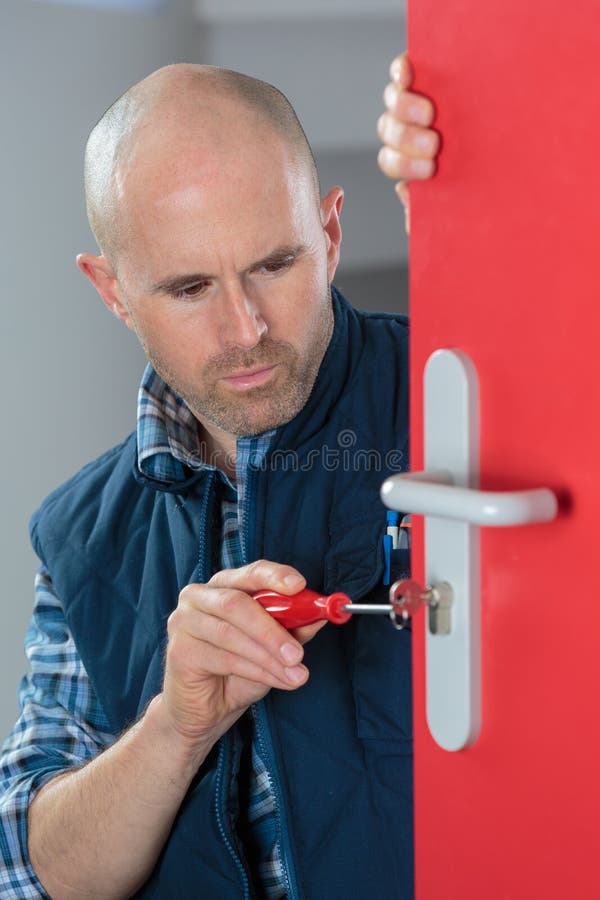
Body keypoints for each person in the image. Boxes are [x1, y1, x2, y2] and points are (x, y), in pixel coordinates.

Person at [0, 54, 438, 899]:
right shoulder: (76, 539)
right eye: (190, 286)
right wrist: (176, 726)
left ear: (332, 232)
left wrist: (508, 234)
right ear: (114, 292)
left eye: (275, 265)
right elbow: (33, 871)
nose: (247, 329)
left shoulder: (462, 392)